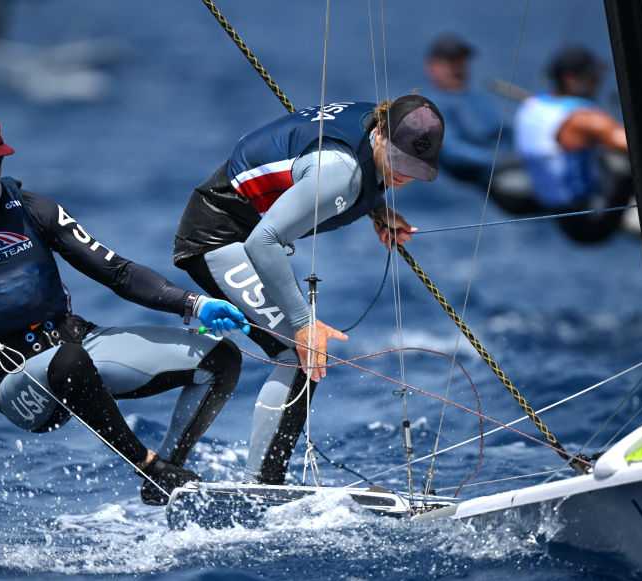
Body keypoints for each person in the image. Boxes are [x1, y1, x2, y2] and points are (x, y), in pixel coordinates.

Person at [0, 110, 249, 505]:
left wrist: (194, 303)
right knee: (69, 362)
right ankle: (147, 465)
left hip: (75, 346)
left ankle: (167, 479)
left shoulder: (30, 208)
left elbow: (117, 273)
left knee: (221, 359)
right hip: (15, 382)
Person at [173, 96, 444, 484]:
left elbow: (346, 170)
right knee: (300, 351)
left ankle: (256, 482)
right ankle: (262, 487)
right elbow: (263, 242)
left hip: (249, 225)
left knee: (302, 350)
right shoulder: (340, 172)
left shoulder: (376, 123)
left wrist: (375, 206)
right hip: (217, 238)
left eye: (418, 168)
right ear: (381, 134)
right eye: (400, 161)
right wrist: (302, 323)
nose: (406, 174)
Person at [514, 45, 633, 243]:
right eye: (593, 77)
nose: (598, 82)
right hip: (589, 220)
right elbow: (631, 145)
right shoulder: (584, 119)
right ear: (571, 79)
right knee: (625, 166)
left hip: (551, 205)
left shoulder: (532, 106)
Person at [425, 33, 537, 215]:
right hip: (487, 185)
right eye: (451, 61)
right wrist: (500, 161)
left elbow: (507, 133)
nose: (458, 68)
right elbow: (452, 151)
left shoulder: (480, 99)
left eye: (461, 61)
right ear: (432, 67)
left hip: (514, 169)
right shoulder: (429, 106)